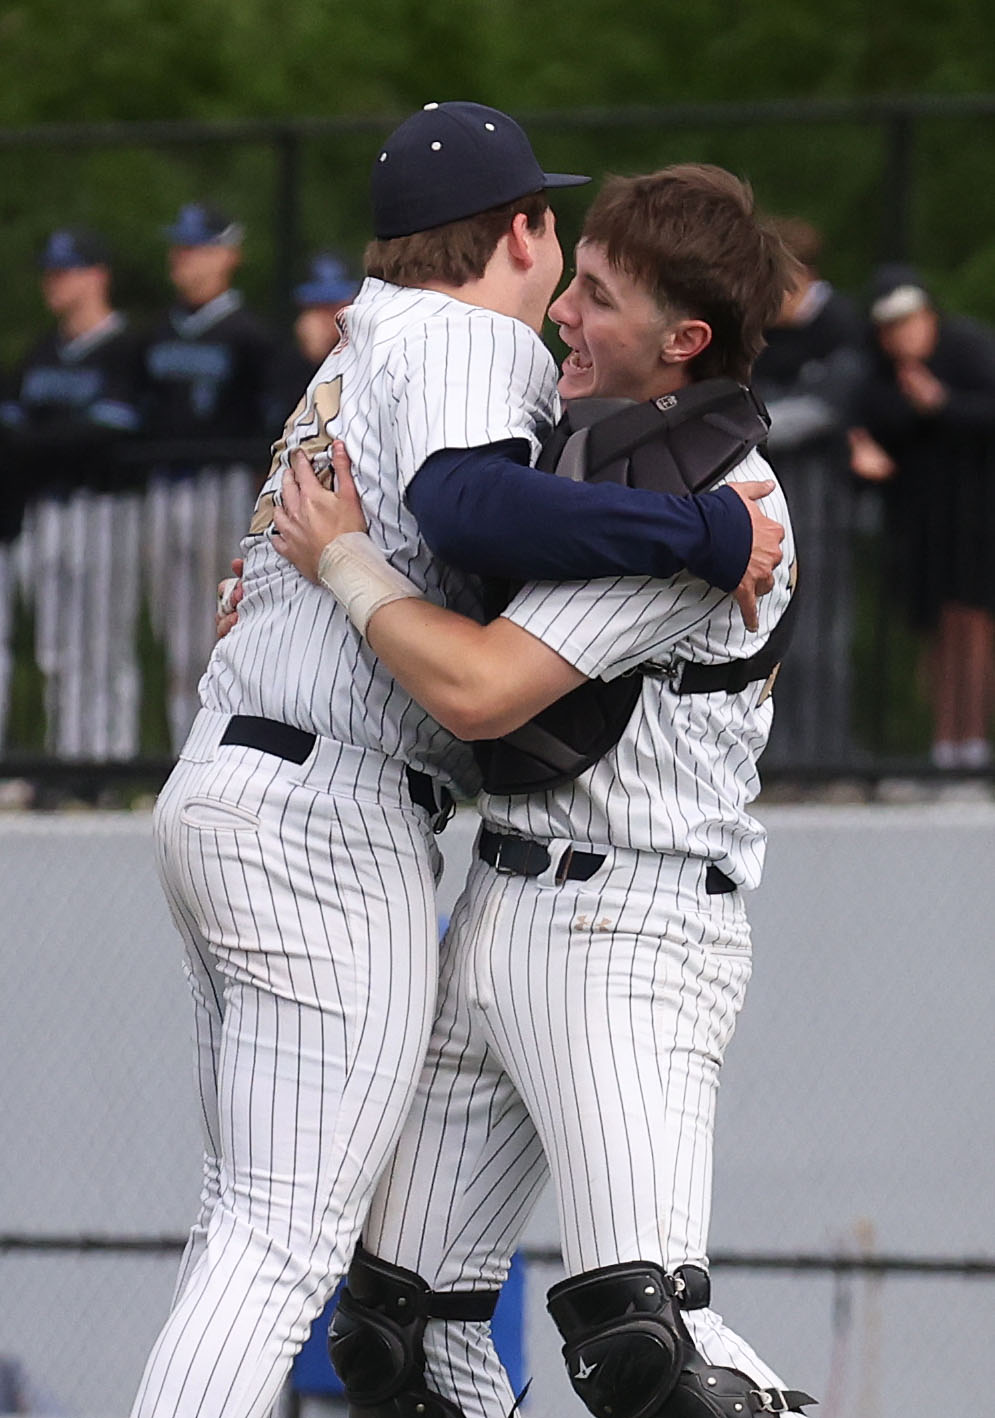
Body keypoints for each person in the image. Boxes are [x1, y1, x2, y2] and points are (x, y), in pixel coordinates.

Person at [134, 104, 781, 1418]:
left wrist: (315, 577)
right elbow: (468, 514)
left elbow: (481, 656)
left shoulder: (694, 473)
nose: (561, 315)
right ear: (521, 229)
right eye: (570, 273)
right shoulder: (490, 366)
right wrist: (319, 579)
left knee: (627, 1342)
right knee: (331, 1281)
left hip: (614, 914)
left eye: (601, 295)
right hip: (376, 833)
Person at [0, 228, 145, 761]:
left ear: (97, 275)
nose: (53, 283)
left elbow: (111, 431)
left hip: (106, 508)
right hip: (47, 511)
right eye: (50, 272)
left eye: (66, 272)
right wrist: (56, 441)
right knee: (56, 648)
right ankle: (65, 759)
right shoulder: (42, 352)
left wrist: (40, 442)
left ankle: (110, 762)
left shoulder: (127, 347)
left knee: (104, 643)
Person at [851, 266, 995, 769]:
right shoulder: (878, 374)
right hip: (918, 524)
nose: (903, 335)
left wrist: (942, 405)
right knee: (934, 629)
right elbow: (871, 426)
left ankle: (972, 741)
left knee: (971, 623)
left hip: (976, 517)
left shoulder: (968, 351)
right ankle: (943, 743)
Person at [142, 202, 273, 751]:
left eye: (198, 249)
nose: (185, 261)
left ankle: (213, 747)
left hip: (223, 487)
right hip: (161, 486)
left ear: (228, 255)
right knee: (172, 630)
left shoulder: (250, 335)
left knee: (221, 620)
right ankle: (177, 750)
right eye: (180, 249)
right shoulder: (155, 332)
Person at [753, 217, 866, 767]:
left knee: (822, 635)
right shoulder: (760, 332)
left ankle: (824, 754)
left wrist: (750, 422)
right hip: (771, 506)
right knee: (768, 631)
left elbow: (824, 410)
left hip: (821, 505)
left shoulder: (841, 325)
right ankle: (779, 756)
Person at [265, 253, 359, 435]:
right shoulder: (283, 360)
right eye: (317, 306)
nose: (327, 317)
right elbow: (279, 427)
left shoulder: (370, 353)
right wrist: (310, 359)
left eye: (334, 305)